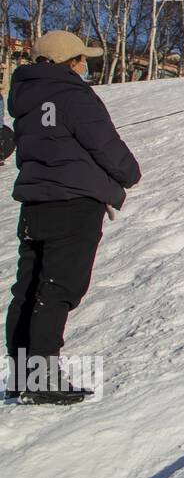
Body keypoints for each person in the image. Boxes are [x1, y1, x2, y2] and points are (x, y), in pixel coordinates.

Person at [5, 31, 140, 404]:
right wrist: (129, 173)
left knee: (28, 289)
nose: (85, 66)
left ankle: (23, 377)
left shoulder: (24, 96)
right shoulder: (73, 94)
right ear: (69, 62)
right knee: (58, 290)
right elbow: (104, 143)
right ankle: (43, 381)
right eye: (82, 60)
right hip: (75, 202)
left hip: (35, 203)